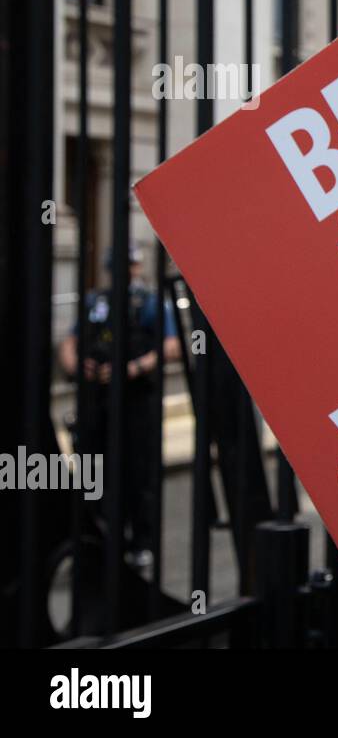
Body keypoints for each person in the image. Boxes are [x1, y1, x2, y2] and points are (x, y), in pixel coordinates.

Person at [59, 241, 181, 570]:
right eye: (121, 267)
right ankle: (97, 542)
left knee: (138, 473)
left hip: (136, 400)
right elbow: (69, 342)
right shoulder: (94, 301)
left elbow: (170, 346)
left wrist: (134, 367)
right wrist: (76, 364)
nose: (126, 273)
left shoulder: (150, 302)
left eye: (130, 266)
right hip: (97, 403)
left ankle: (141, 543)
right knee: (93, 472)